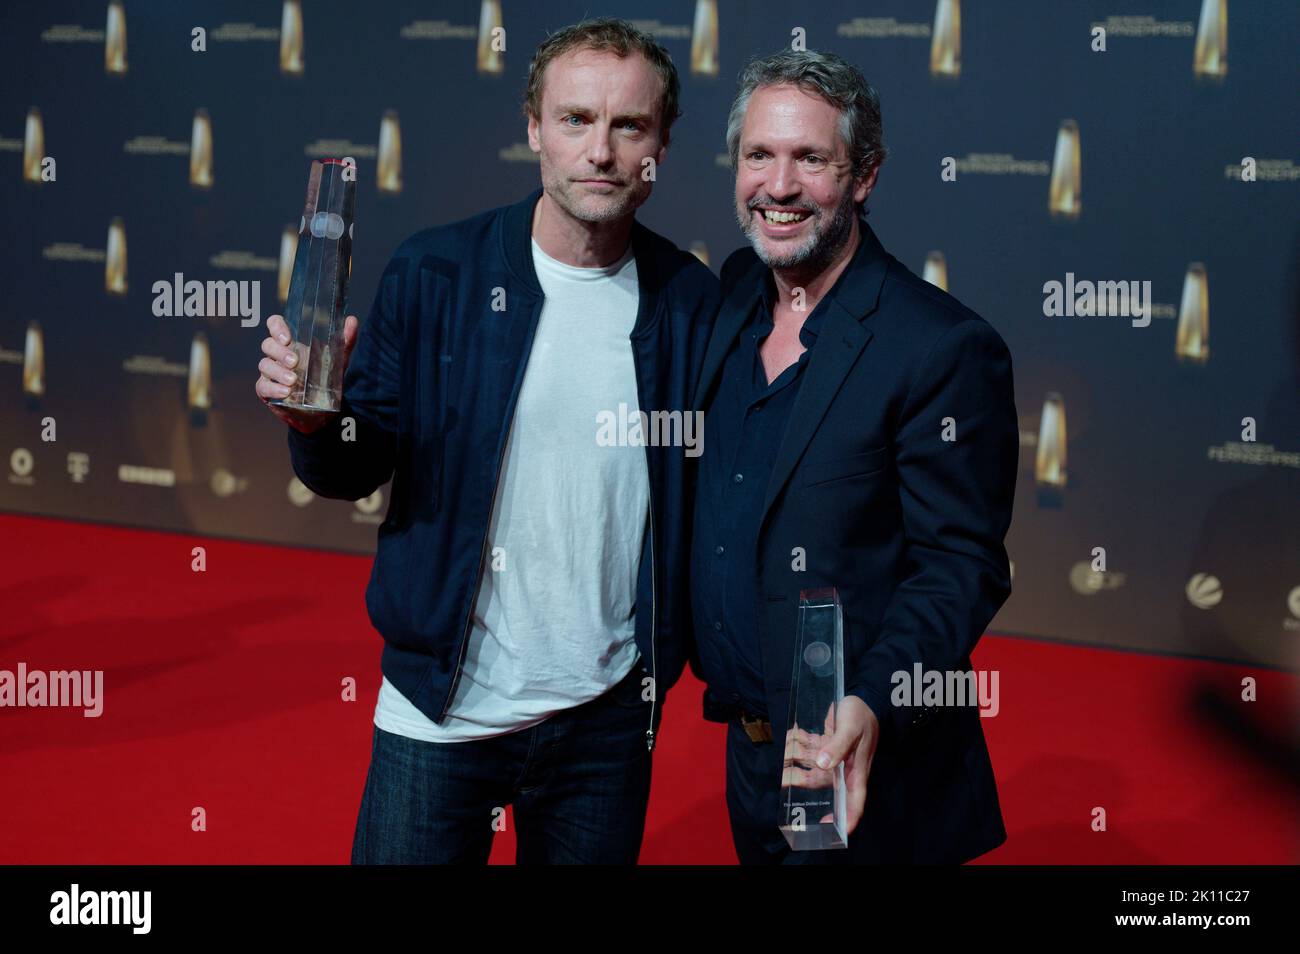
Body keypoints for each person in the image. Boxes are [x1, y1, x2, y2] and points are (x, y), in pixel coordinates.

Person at [255, 18, 718, 864]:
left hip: (606, 720)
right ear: (533, 128)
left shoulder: (689, 301)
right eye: (576, 119)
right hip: (439, 710)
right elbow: (359, 456)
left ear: (662, 144)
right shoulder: (439, 271)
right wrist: (319, 423)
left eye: (630, 127)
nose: (602, 152)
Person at [691, 49, 1018, 864]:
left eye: (811, 159)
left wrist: (873, 700)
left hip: (878, 777)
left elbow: (961, 566)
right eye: (759, 155)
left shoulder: (940, 346)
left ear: (864, 175)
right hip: (752, 758)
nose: (779, 186)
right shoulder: (733, 294)